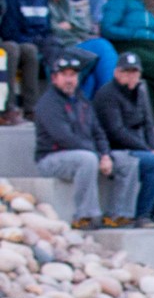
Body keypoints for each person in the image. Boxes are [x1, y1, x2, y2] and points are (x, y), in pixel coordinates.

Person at [35, 55, 139, 230]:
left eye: (73, 75)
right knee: (87, 159)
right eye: (65, 75)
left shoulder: (82, 100)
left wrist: (105, 154)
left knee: (128, 161)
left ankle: (119, 214)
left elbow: (98, 132)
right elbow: (65, 138)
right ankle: (85, 215)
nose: (70, 80)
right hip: (51, 158)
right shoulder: (48, 103)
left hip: (87, 152)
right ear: (54, 78)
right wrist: (99, 156)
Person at [92, 52, 154, 227]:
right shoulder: (107, 95)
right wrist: (146, 149)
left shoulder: (139, 92)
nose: (131, 76)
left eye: (135, 72)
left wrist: (153, 147)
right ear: (117, 73)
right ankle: (142, 214)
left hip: (138, 147)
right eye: (126, 72)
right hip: (116, 150)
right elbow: (116, 131)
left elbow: (148, 125)